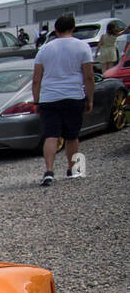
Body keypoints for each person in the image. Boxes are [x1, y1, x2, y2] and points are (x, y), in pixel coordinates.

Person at [33, 14, 95, 185]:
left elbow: (36, 79)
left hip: (49, 97)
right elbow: (89, 76)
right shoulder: (83, 47)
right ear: (73, 28)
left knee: (51, 135)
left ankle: (49, 170)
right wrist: (89, 99)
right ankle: (72, 169)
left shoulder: (44, 49)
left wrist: (36, 100)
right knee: (72, 136)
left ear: (55, 30)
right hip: (73, 95)